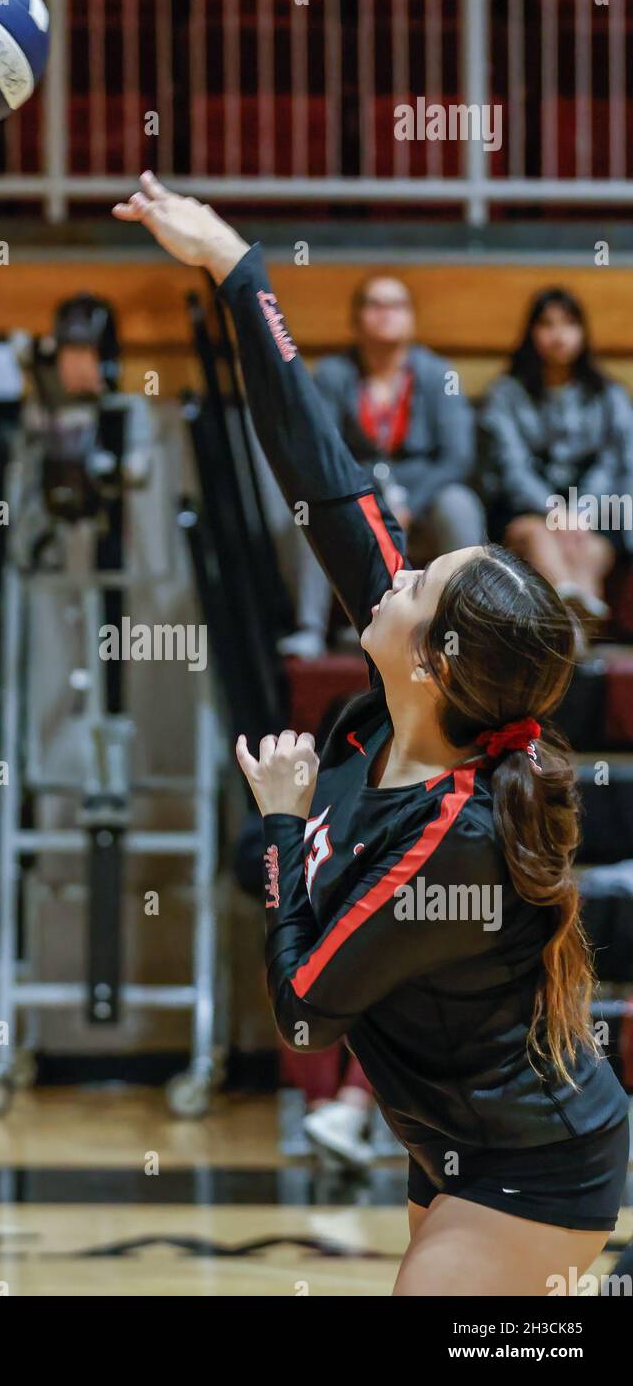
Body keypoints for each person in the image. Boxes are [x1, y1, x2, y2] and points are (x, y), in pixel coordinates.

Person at [113, 173, 630, 1296]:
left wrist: (281, 826)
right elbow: (315, 463)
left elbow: (304, 1007)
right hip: (461, 1138)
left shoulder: (453, 829)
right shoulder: (417, 695)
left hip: (531, 1163)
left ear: (436, 659)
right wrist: (233, 266)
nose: (390, 574)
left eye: (418, 580)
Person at [479, 287, 633, 634]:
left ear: (583, 332)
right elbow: (512, 469)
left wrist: (580, 513)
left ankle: (569, 630)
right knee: (538, 536)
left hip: (591, 514)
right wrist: (554, 512)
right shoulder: (505, 394)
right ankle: (574, 615)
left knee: (590, 549)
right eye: (547, 324)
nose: (558, 334)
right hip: (524, 509)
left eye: (569, 324)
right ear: (531, 332)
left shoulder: (608, 395)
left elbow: (613, 464)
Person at [313, 274, 484, 562]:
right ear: (355, 319)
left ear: (412, 319)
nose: (386, 313)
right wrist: (363, 504)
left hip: (424, 494)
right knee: (309, 510)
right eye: (374, 305)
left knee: (459, 504)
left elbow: (458, 457)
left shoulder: (438, 373)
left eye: (397, 305)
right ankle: (307, 610)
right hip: (356, 493)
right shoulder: (333, 374)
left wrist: (411, 506)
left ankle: (465, 604)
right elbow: (321, 452)